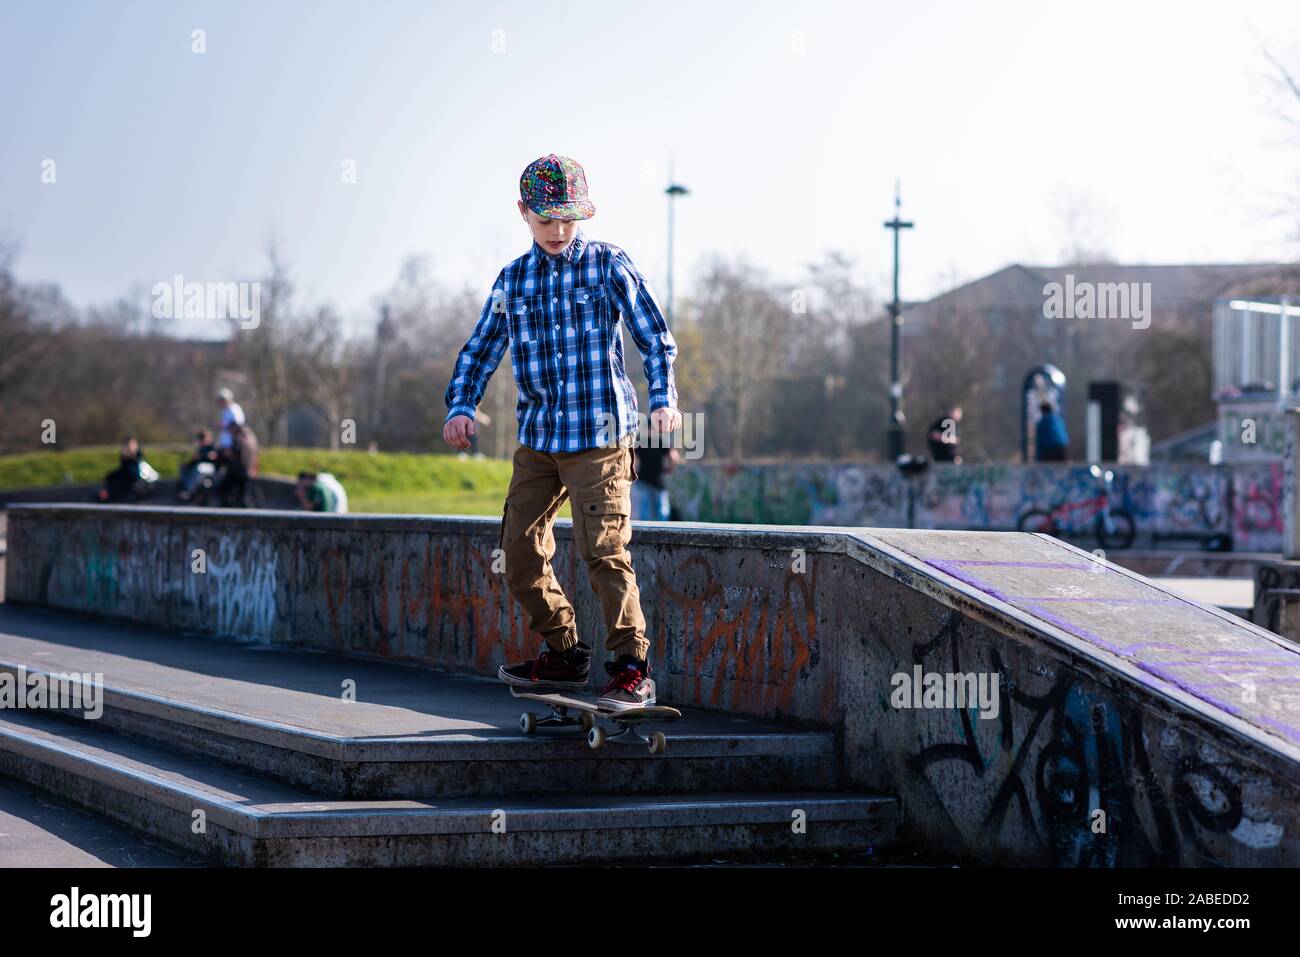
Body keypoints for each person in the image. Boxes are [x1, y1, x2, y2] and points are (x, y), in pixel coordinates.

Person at [443, 153, 680, 712]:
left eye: (569, 219)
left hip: (600, 436)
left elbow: (655, 336)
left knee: (605, 550)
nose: (558, 231)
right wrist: (461, 404)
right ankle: (565, 649)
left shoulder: (606, 264)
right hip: (539, 440)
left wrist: (664, 400)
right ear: (524, 213)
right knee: (518, 550)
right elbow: (480, 348)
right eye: (547, 219)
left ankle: (631, 668)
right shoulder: (514, 279)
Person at [98, 436, 156, 502]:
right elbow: (119, 474)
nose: (128, 448)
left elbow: (136, 476)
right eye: (126, 445)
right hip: (123, 491)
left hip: (135, 491)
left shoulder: (139, 463)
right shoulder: (123, 465)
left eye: (130, 445)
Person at [631, 443, 679, 522]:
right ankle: (663, 531)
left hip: (647, 480)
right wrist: (670, 468)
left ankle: (646, 531)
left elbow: (631, 457)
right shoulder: (660, 442)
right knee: (659, 511)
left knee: (651, 511)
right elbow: (673, 456)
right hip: (652, 481)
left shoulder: (641, 441)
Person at [215, 422, 258, 507]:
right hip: (249, 470)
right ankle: (248, 515)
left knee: (223, 490)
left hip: (237, 471)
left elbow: (236, 452)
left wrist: (226, 453)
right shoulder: (251, 437)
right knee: (244, 495)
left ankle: (227, 511)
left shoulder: (238, 438)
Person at [177, 429, 219, 502]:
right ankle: (182, 487)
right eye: (201, 439)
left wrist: (202, 456)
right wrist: (188, 464)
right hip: (201, 466)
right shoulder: (201, 448)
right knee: (184, 467)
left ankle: (189, 489)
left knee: (199, 467)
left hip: (211, 468)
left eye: (204, 438)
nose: (202, 440)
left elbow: (212, 457)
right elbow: (196, 459)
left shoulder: (213, 446)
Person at [215, 388, 245, 452]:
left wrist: (225, 426)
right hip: (226, 443)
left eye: (222, 400)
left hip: (234, 443)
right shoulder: (225, 410)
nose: (221, 402)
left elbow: (238, 425)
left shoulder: (234, 409)